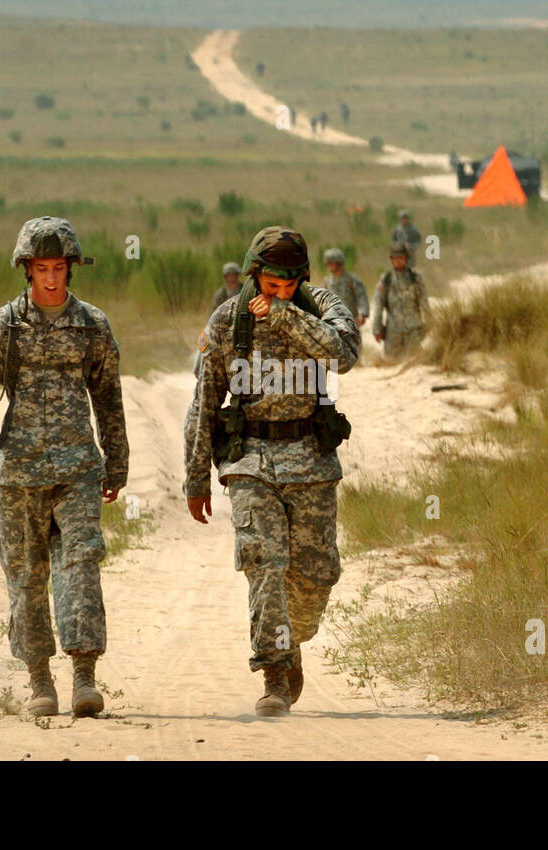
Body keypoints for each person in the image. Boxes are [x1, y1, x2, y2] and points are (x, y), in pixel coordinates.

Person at [0, 215, 129, 719]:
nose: (51, 278)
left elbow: (109, 399)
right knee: (26, 580)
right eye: (41, 268)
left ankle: (85, 676)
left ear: (72, 269)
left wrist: (117, 464)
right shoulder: (3, 326)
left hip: (77, 472)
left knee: (81, 567)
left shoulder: (92, 326)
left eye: (59, 268)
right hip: (19, 476)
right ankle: (38, 680)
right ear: (26, 271)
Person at [183, 226, 359, 717]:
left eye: (288, 285)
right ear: (254, 273)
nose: (277, 293)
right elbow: (204, 402)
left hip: (311, 459)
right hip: (249, 460)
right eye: (269, 285)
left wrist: (286, 316)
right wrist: (196, 477)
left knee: (315, 576)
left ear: (301, 278)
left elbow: (343, 353)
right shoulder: (227, 320)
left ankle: (291, 639)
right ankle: (275, 674)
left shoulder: (321, 306)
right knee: (265, 564)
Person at [372, 242, 427, 360]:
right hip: (393, 334)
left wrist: (429, 324)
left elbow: (424, 303)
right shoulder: (386, 279)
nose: (398, 261)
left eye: (401, 257)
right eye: (395, 258)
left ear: (406, 258)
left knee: (414, 365)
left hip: (413, 332)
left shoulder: (415, 279)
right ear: (391, 259)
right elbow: (378, 306)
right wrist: (377, 328)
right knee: (391, 365)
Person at [320, 248, 369, 344]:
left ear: (338, 263)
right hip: (332, 324)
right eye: (327, 263)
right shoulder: (327, 281)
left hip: (351, 322)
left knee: (354, 351)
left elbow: (361, 296)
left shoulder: (352, 279)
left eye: (330, 263)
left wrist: (363, 314)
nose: (328, 266)